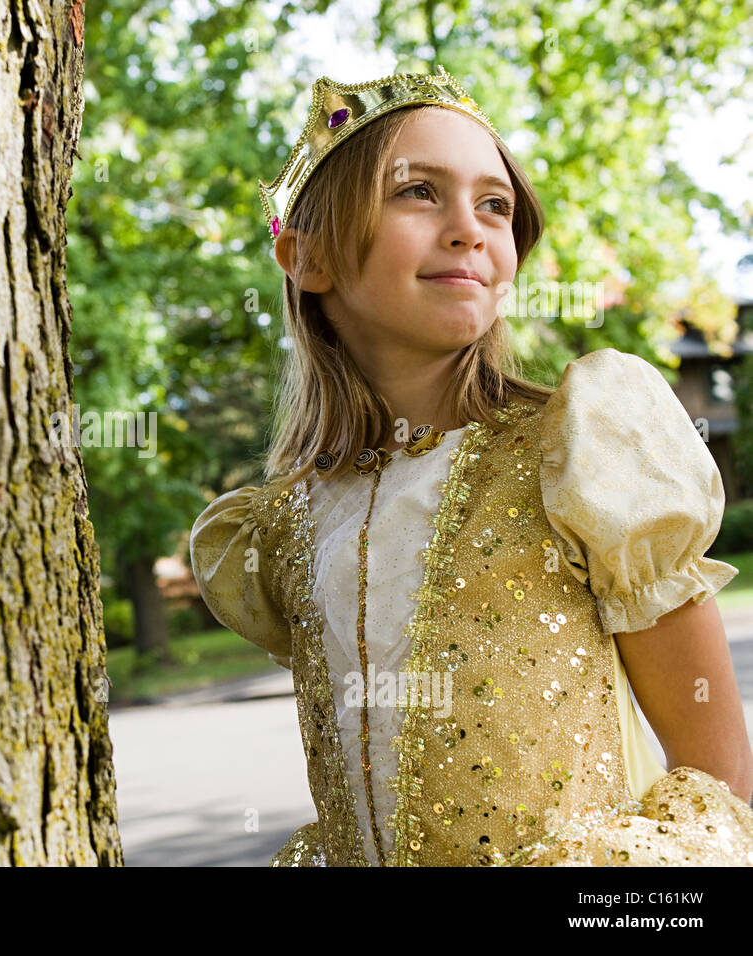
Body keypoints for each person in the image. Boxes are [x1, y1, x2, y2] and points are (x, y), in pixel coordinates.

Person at [189, 66, 753, 866]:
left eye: (495, 205)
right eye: (419, 192)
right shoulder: (283, 526)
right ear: (306, 257)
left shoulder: (581, 451)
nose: (470, 229)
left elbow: (716, 785)